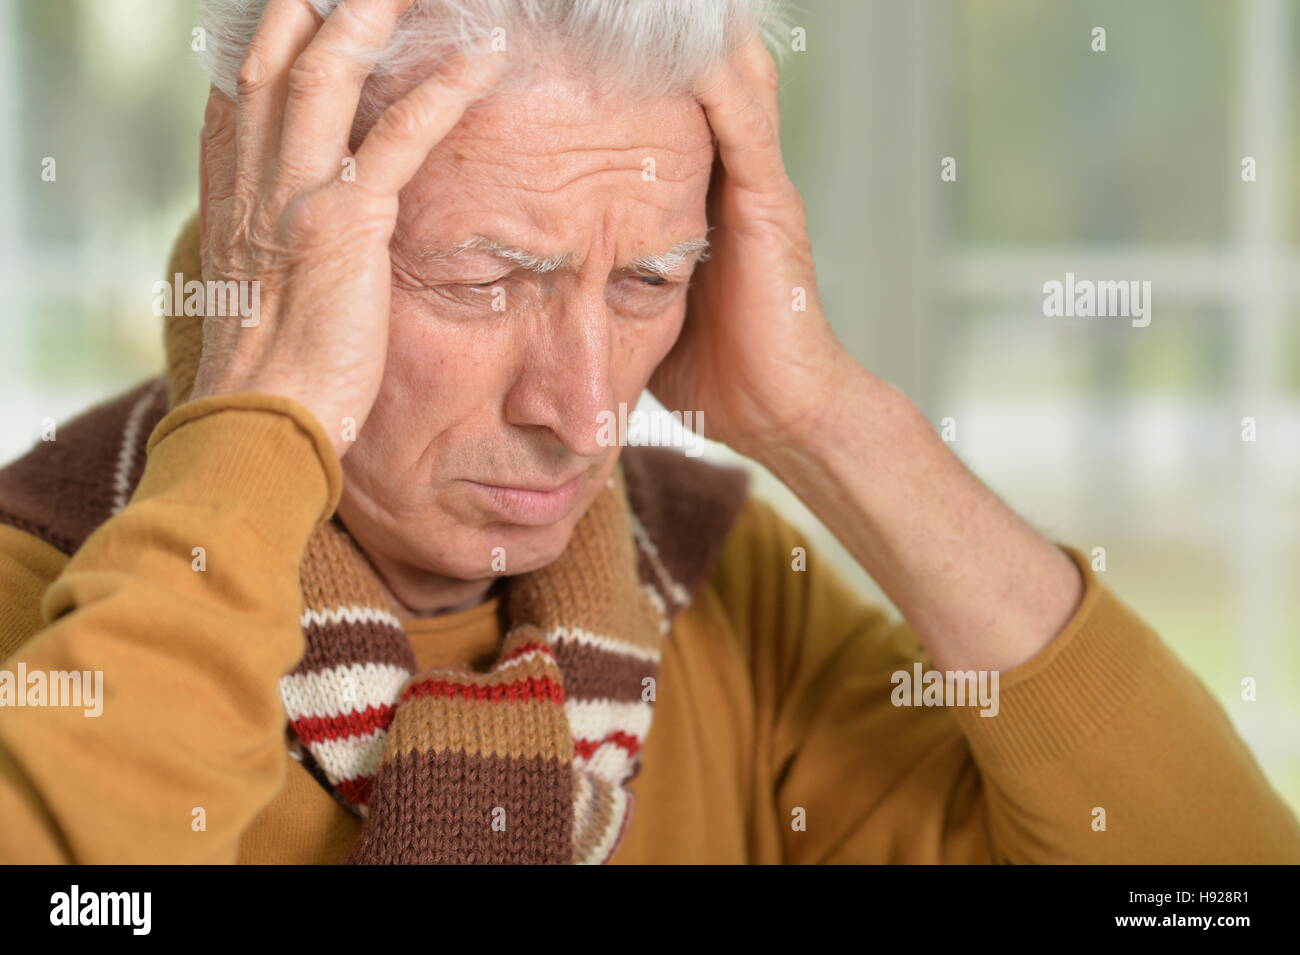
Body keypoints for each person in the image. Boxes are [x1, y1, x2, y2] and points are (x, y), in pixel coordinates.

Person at [0, 0, 1296, 864]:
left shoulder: (719, 587)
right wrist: (259, 415)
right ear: (270, 239)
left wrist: (824, 415)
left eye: (646, 283)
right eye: (479, 279)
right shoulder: (44, 595)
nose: (581, 412)